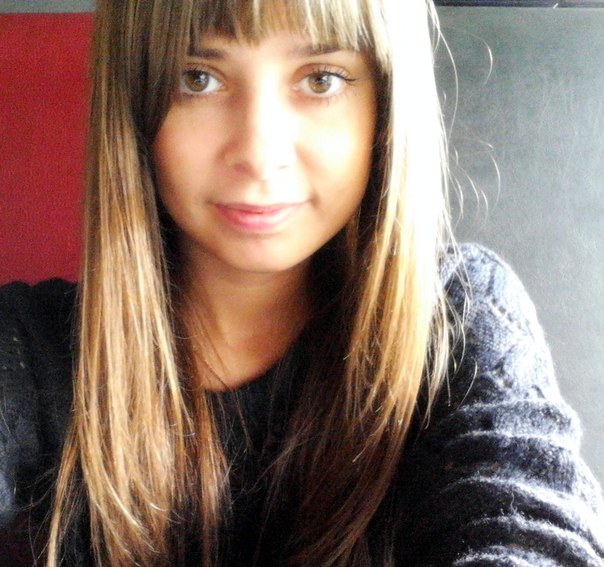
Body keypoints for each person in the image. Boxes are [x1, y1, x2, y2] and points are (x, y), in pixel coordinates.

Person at [0, 0, 603, 565]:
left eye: (321, 80)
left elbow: (529, 529)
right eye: (198, 78)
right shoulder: (28, 349)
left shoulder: (458, 318)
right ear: (133, 107)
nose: (259, 155)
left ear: (386, 106)